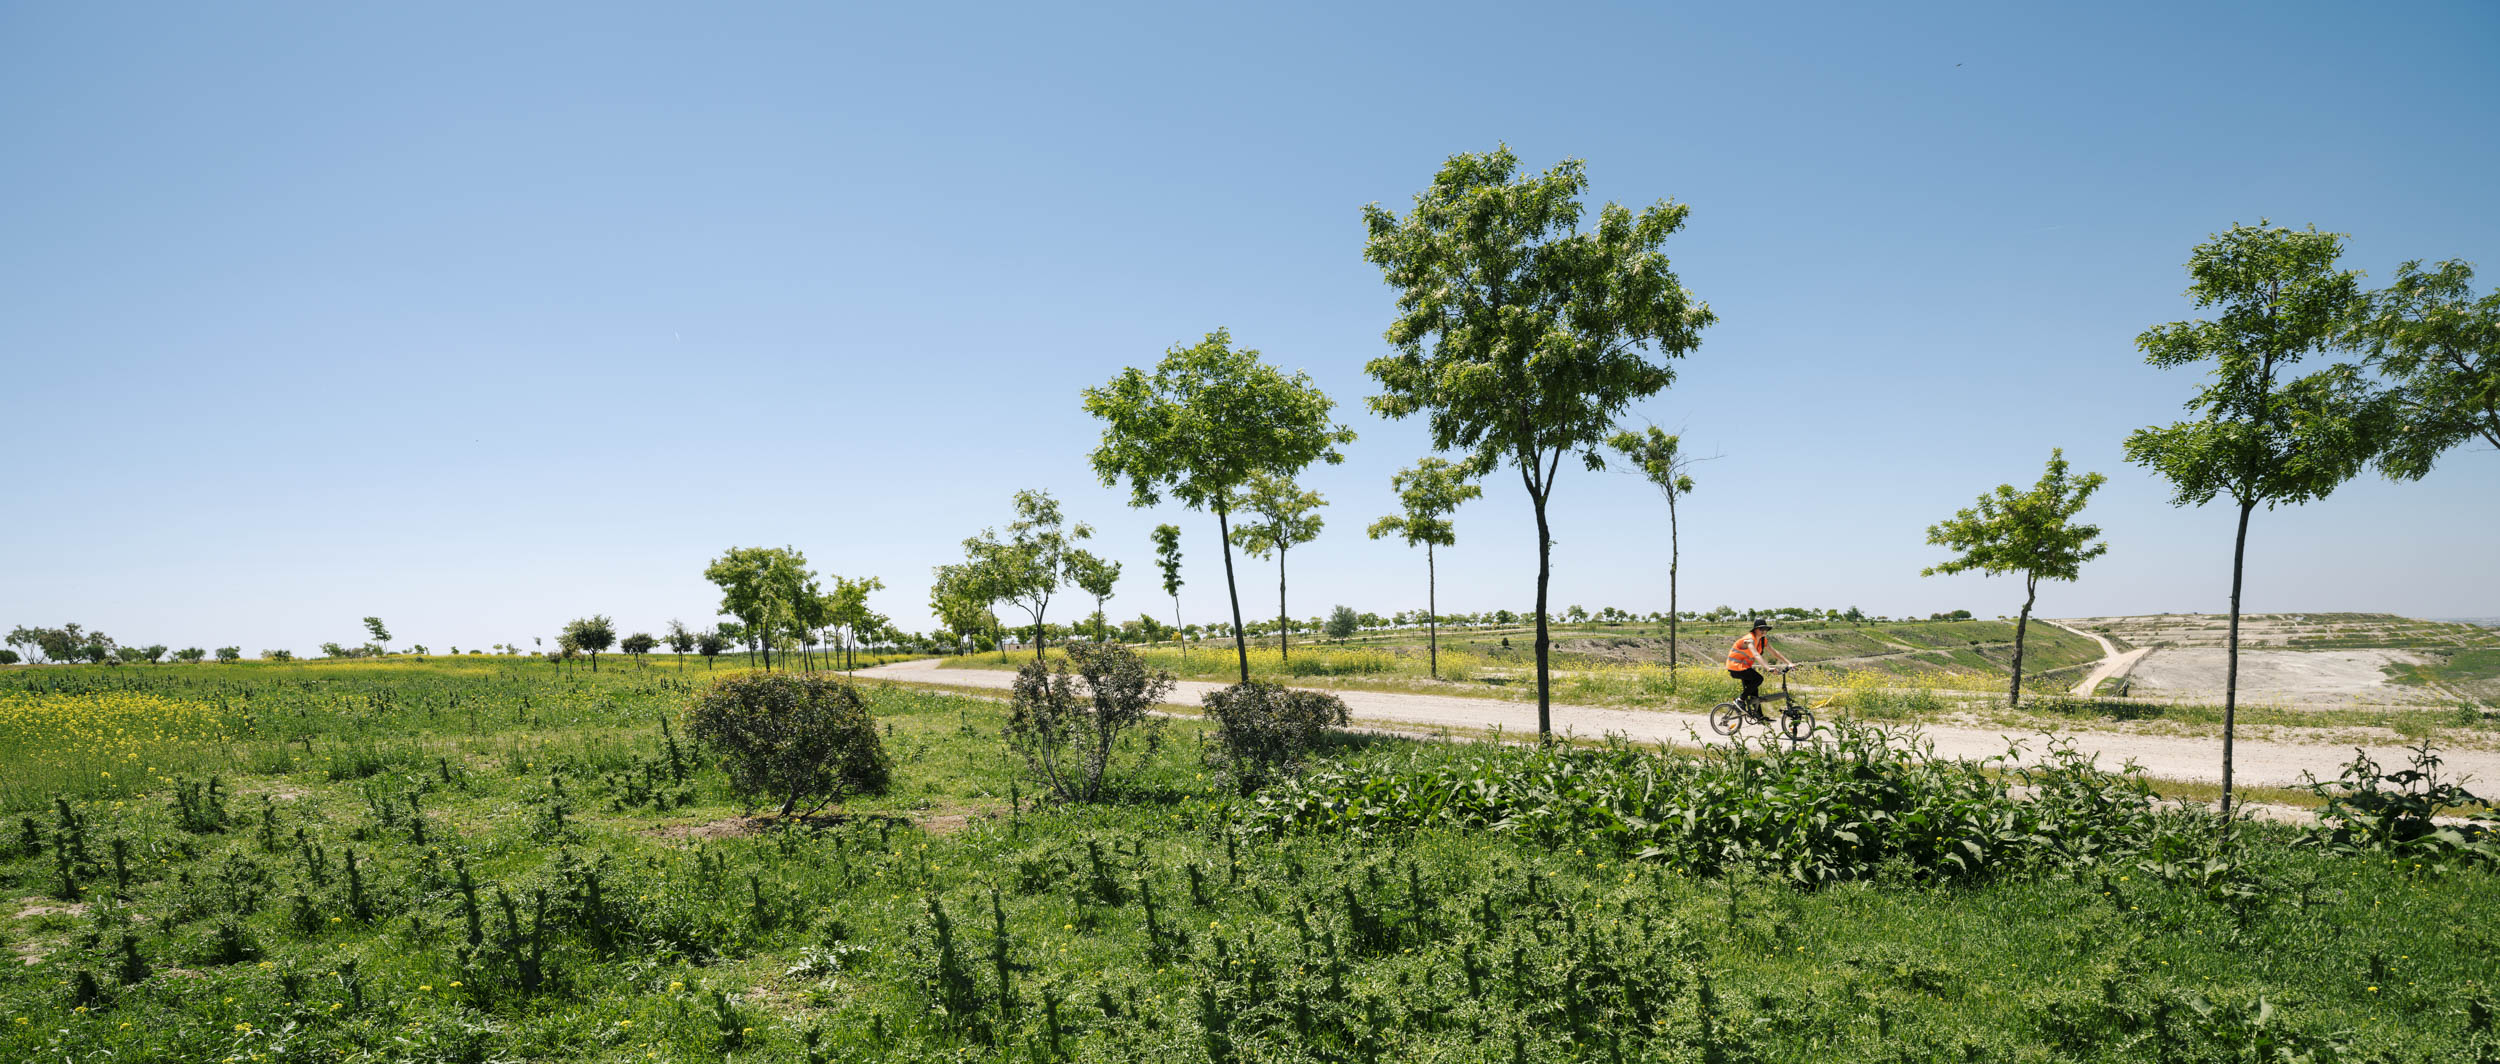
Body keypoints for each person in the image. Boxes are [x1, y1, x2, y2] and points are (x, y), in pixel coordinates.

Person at [1725, 619, 1793, 719]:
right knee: (1758, 679)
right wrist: (1768, 668)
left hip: (1744, 668)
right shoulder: (1749, 639)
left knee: (1754, 691)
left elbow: (1774, 653)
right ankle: (1740, 700)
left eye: (1766, 629)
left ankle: (1758, 716)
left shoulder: (1762, 640)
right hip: (1735, 667)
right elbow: (1756, 654)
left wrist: (1789, 663)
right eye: (1762, 629)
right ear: (1755, 630)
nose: (1764, 631)